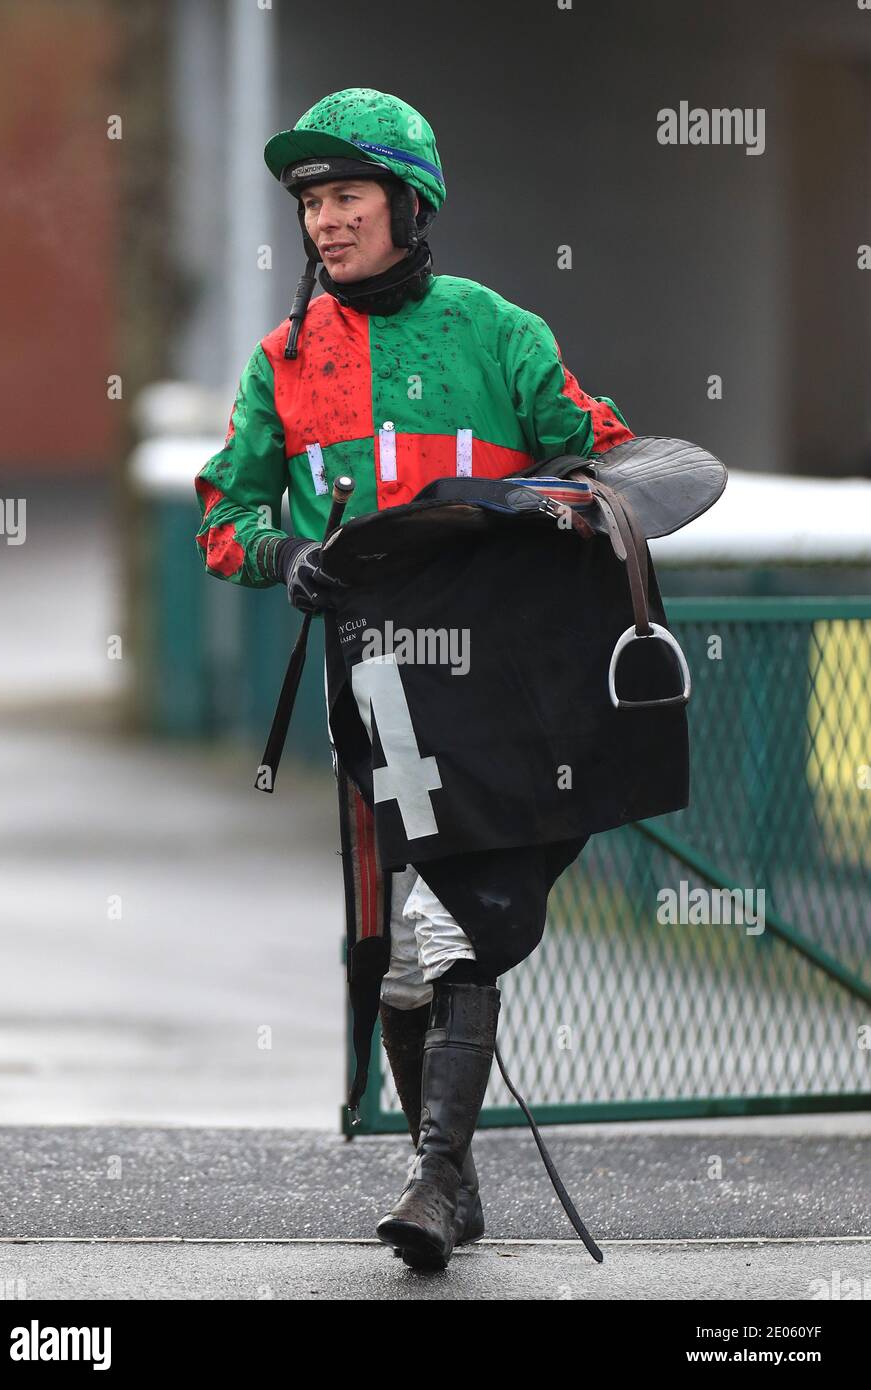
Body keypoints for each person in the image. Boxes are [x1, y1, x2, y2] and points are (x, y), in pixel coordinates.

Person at [194, 87, 635, 1269]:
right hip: (374, 689)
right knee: (399, 948)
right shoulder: (282, 362)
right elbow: (224, 519)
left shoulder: (499, 330)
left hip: (501, 686)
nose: (324, 222)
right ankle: (452, 1176)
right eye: (309, 203)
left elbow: (603, 454)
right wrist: (288, 552)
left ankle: (433, 1176)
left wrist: (564, 504)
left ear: (405, 203)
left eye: (344, 196)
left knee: (452, 919)